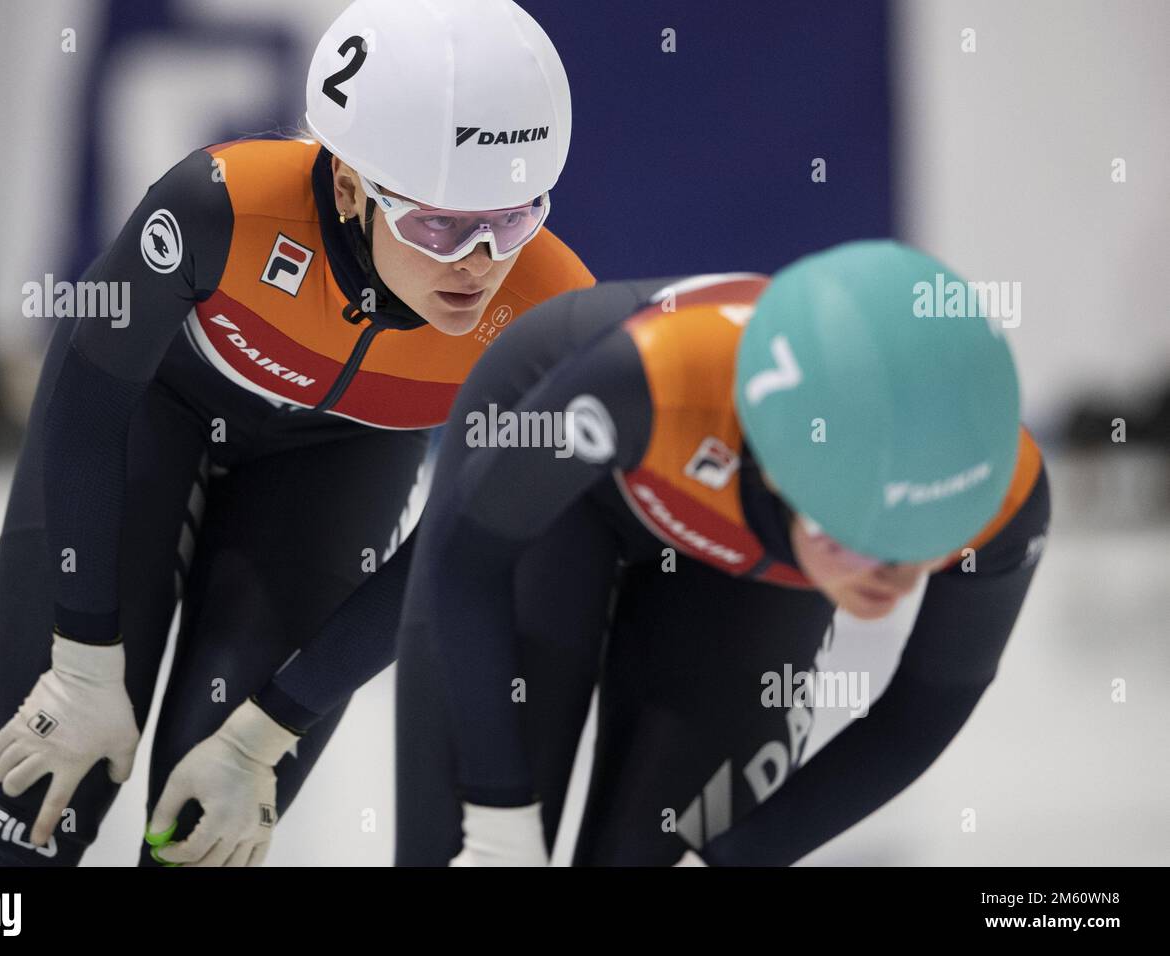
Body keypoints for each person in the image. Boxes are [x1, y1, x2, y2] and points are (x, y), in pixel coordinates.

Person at [0, 0, 590, 867]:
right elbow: (89, 404)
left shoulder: (552, 318)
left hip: (337, 470)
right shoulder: (222, 202)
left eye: (512, 220)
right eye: (439, 225)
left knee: (194, 845)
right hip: (156, 419)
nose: (479, 262)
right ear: (351, 184)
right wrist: (82, 663)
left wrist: (265, 734)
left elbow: (460, 552)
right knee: (28, 824)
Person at [392, 240, 1051, 865]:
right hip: (562, 495)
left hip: (740, 562)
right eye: (859, 538)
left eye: (922, 545)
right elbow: (466, 558)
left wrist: (732, 861)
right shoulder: (646, 381)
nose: (891, 578)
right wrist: (497, 816)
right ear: (776, 469)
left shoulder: (1001, 494)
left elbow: (924, 710)